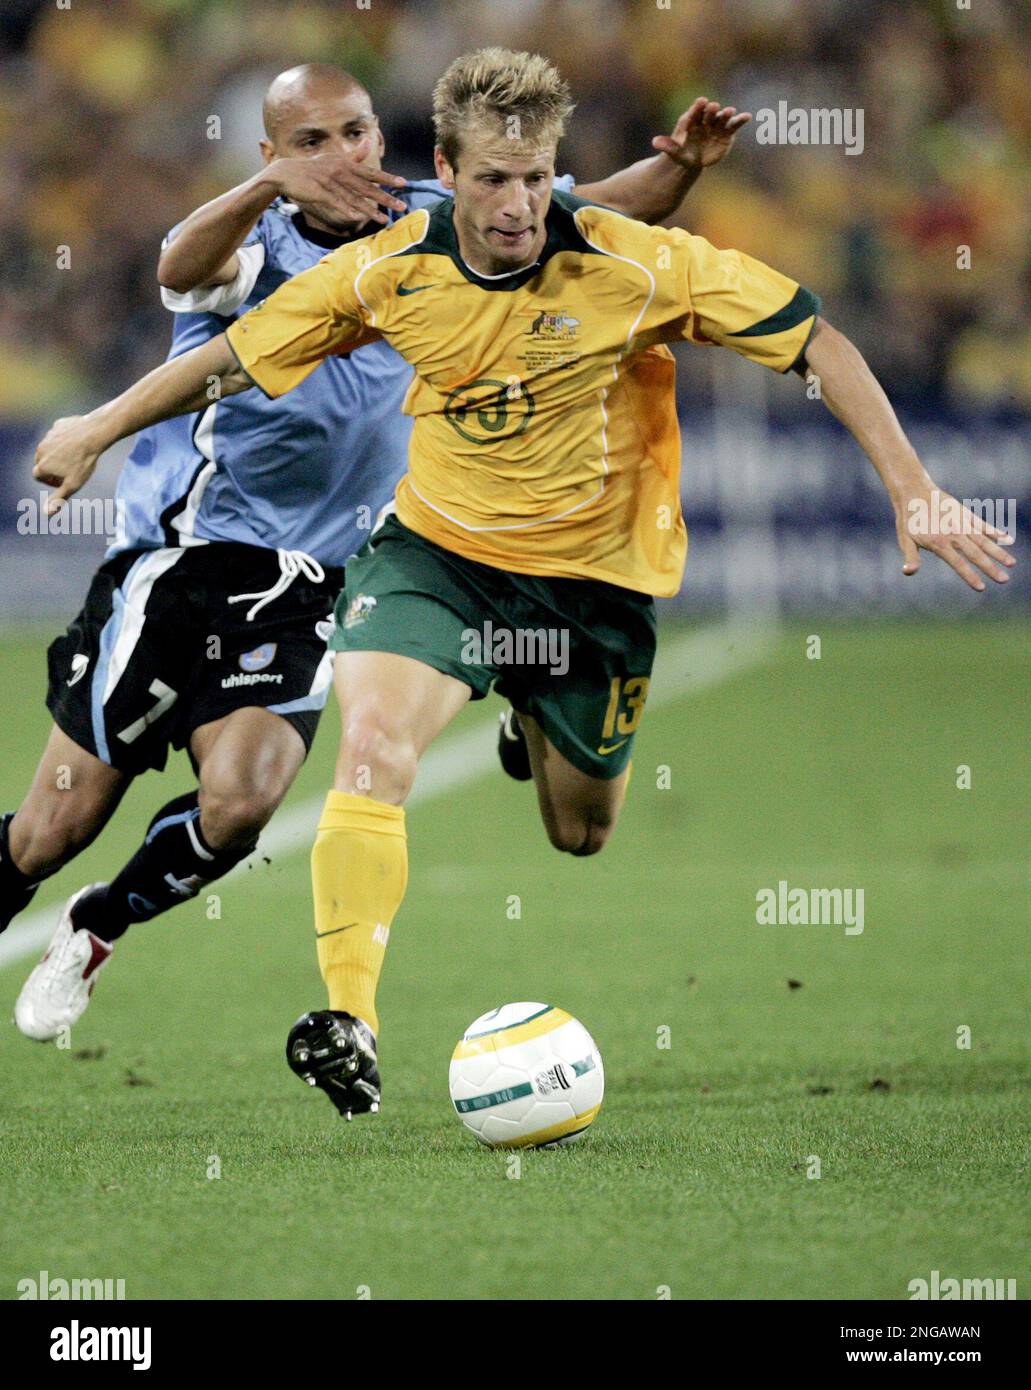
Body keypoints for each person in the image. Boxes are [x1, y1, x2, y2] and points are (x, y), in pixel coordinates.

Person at [27, 48, 1013, 1128]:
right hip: (433, 558)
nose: (517, 204)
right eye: (492, 180)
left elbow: (815, 340)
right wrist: (97, 426)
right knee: (372, 751)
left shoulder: (636, 266)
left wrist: (912, 488)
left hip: (590, 586)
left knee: (578, 831)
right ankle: (348, 1018)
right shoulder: (388, 264)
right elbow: (229, 354)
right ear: (444, 172)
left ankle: (527, 725)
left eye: (536, 178)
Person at [3, 61, 747, 1042]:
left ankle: (99, 925)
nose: (340, 155)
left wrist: (682, 167)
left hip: (322, 586)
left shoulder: (443, 220)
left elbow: (601, 206)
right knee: (50, 829)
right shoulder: (252, 244)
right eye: (307, 142)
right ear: (271, 155)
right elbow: (180, 269)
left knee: (239, 803)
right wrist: (270, 191)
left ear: (379, 139)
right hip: (185, 567)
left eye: (352, 132)